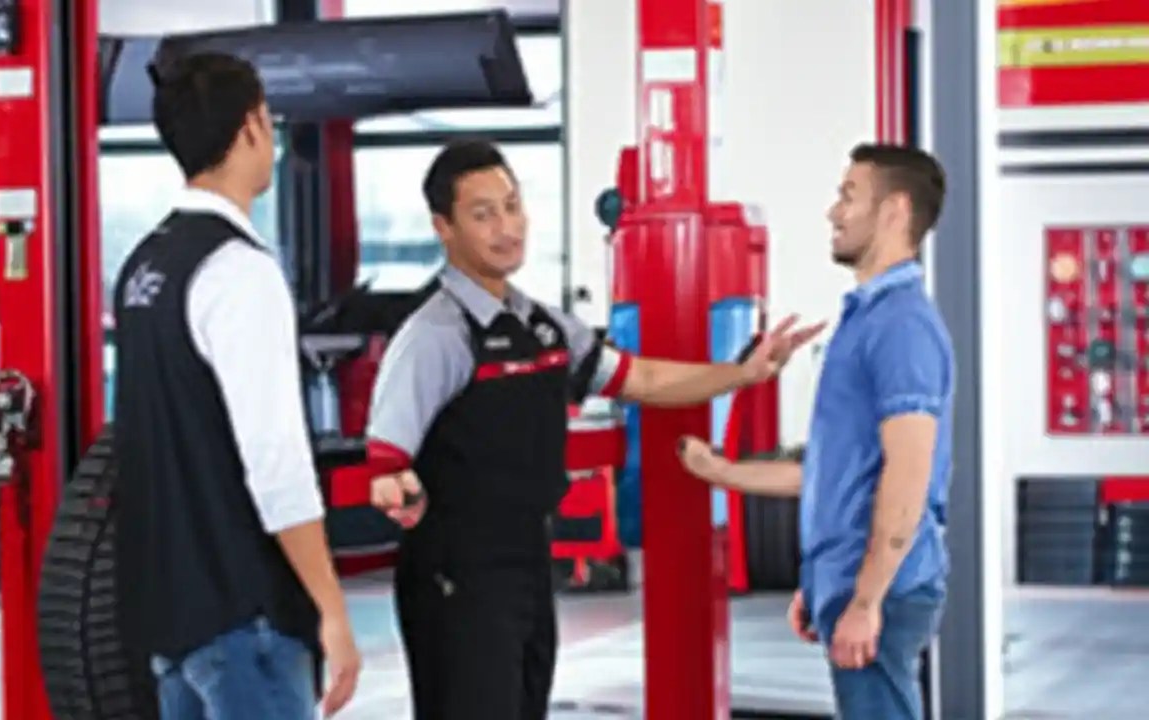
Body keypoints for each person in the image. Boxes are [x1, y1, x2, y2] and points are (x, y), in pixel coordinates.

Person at [363, 138, 824, 720]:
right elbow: (385, 457)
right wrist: (393, 486)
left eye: (513, 205)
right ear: (444, 228)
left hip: (529, 557)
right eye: (483, 214)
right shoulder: (435, 335)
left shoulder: (544, 327)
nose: (507, 227)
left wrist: (743, 372)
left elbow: (643, 379)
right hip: (456, 571)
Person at [112, 52, 360, 720]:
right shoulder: (237, 270)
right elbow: (275, 463)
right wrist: (332, 611)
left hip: (172, 615)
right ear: (253, 126)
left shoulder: (145, 266)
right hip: (245, 620)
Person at [679, 143, 952, 720]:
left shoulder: (901, 324)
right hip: (848, 578)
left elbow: (907, 476)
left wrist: (866, 599)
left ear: (894, 211)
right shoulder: (866, 318)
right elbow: (835, 474)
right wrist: (720, 473)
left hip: (883, 588)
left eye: (848, 195)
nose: (833, 211)